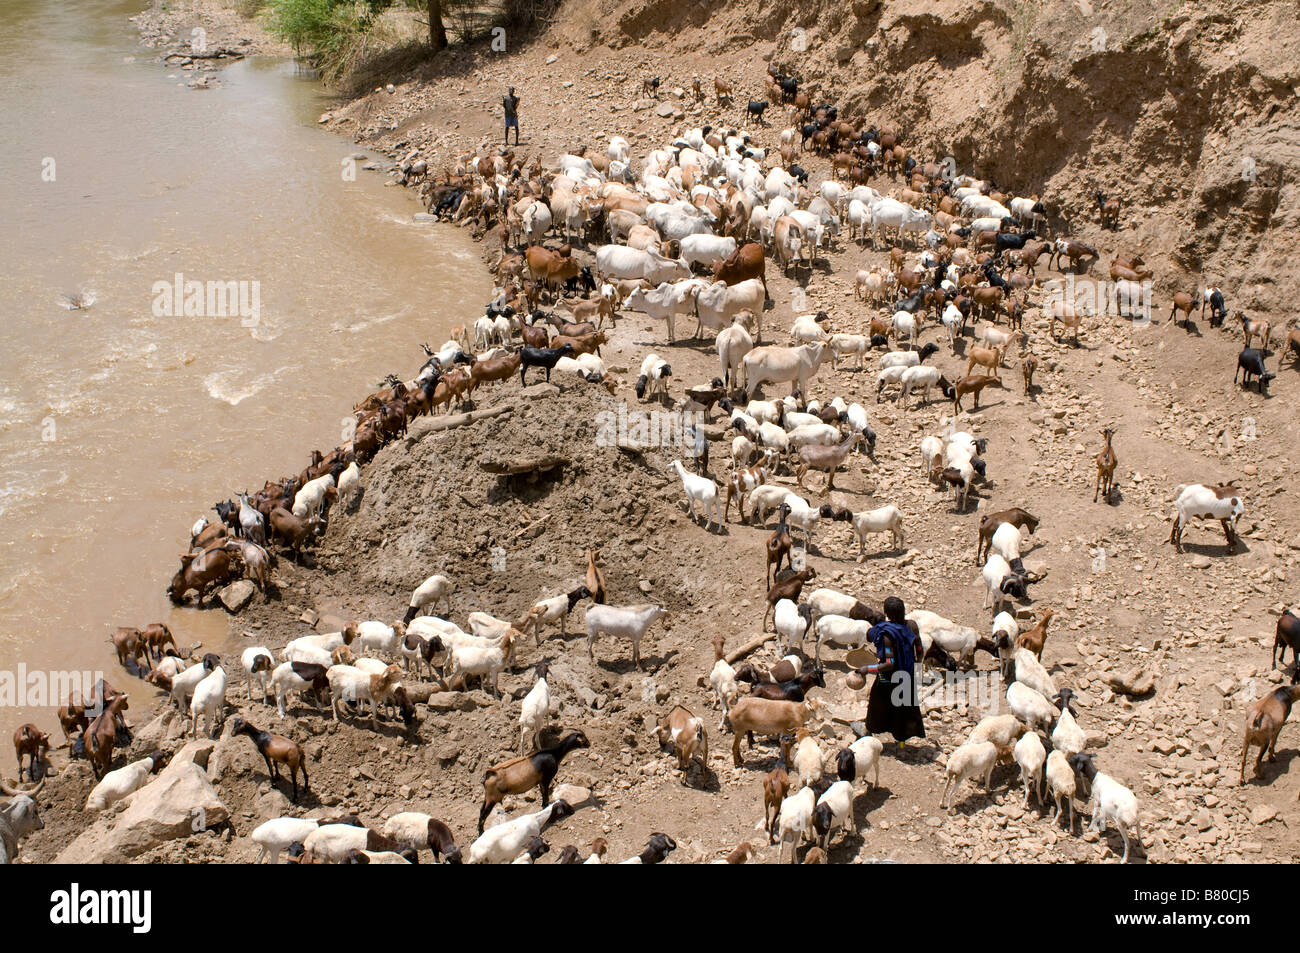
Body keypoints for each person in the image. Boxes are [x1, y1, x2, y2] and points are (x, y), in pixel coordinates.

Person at [851, 596, 925, 745]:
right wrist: (915, 664)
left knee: (877, 701)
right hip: (907, 676)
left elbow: (889, 664)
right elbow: (919, 649)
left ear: (887, 614)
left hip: (888, 677)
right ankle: (902, 741)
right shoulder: (912, 626)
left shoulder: (886, 635)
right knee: (904, 706)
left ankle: (868, 730)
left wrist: (867, 669)